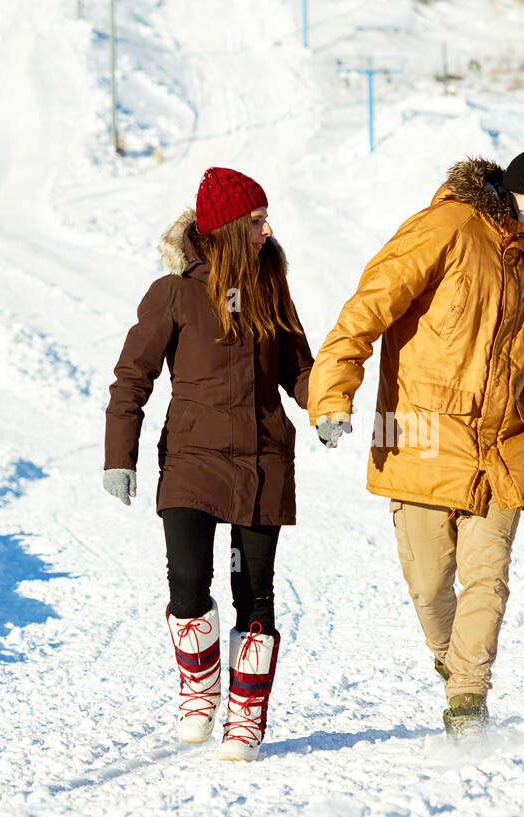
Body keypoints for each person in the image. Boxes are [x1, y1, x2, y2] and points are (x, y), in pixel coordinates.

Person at [307, 141, 524, 738]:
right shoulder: (444, 229)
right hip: (423, 438)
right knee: (431, 586)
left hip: (502, 448)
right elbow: (367, 308)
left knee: (486, 578)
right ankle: (453, 661)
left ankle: (467, 701)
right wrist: (333, 390)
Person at [103, 167, 314, 761]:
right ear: (223, 227)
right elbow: (132, 377)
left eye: (265, 219)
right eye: (255, 221)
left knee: (256, 593)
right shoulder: (173, 293)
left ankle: (247, 709)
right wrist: (120, 455)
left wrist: (323, 402)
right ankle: (199, 683)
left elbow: (299, 365)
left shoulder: (273, 289)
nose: (267, 231)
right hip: (193, 461)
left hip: (262, 458)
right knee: (188, 584)